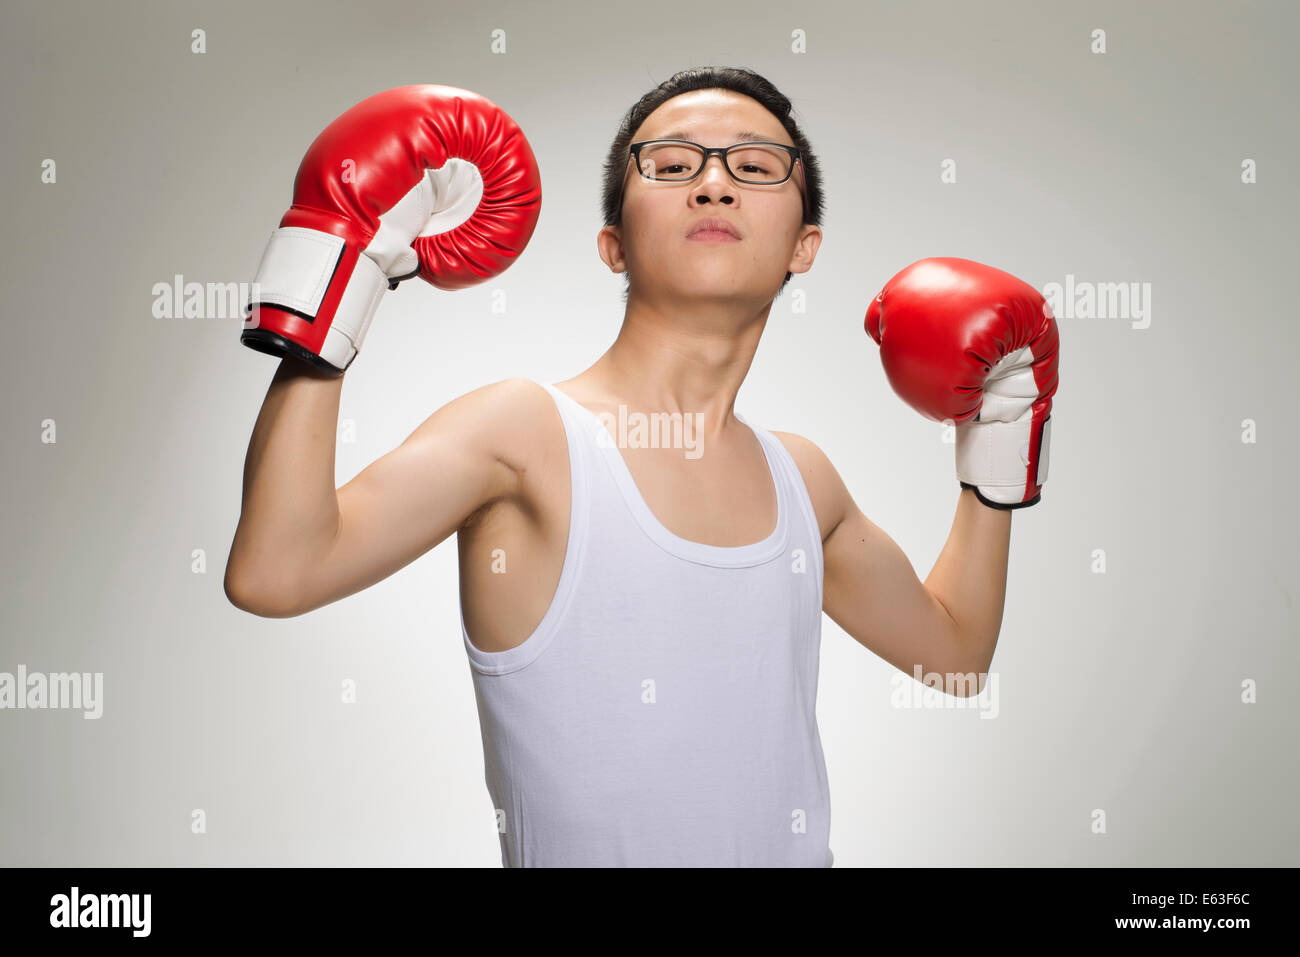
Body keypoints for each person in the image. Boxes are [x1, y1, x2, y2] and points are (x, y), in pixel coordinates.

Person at [225, 68, 1058, 867]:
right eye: (670, 165)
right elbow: (276, 571)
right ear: (612, 245)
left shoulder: (804, 480)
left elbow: (954, 656)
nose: (714, 184)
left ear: (804, 247)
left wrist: (1001, 433)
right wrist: (336, 272)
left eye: (756, 167)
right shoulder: (524, 433)